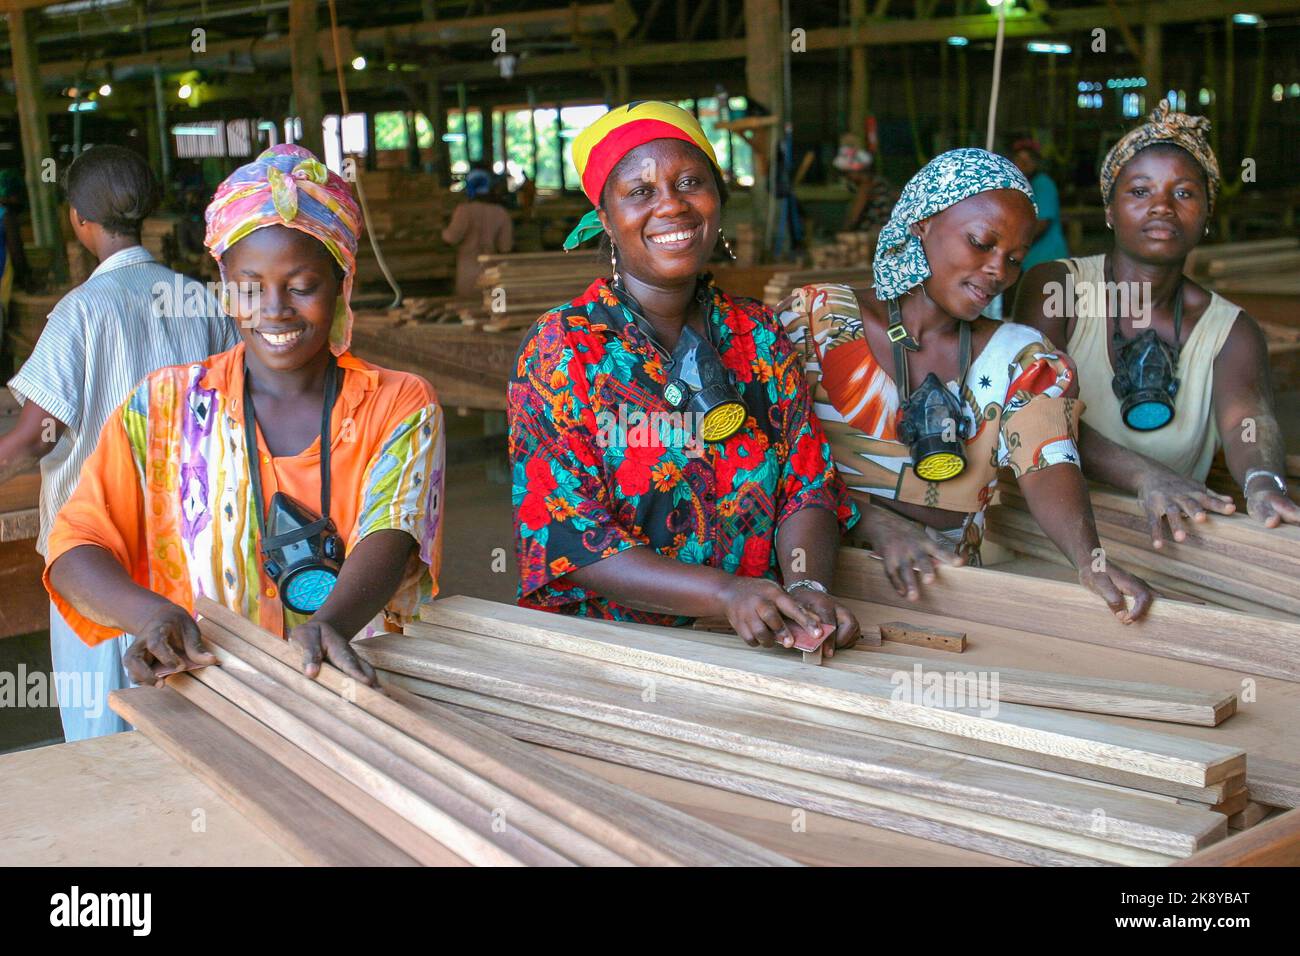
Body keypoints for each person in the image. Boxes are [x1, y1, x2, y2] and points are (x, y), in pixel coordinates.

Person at [44, 144, 445, 700]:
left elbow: (392, 529)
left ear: (342, 284)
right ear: (224, 282)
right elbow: (73, 547)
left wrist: (329, 622)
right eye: (249, 286)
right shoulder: (164, 407)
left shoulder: (396, 403)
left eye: (302, 286)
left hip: (359, 696)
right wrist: (152, 615)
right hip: (216, 703)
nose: (274, 309)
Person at [509, 101, 862, 653]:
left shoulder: (759, 335)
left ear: (718, 201)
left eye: (690, 183)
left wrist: (806, 587)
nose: (672, 206)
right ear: (605, 218)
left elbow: (808, 483)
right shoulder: (565, 350)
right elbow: (568, 538)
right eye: (641, 192)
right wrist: (725, 593)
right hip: (612, 651)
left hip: (761, 642)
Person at [778, 148, 1153, 623]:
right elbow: (767, 457)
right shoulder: (816, 324)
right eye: (981, 242)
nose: (999, 270)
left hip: (946, 599)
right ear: (922, 224)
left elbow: (1048, 461)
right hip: (816, 593)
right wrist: (871, 520)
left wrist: (1088, 560)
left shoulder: (1021, 356)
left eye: (1014, 258)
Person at [0, 145, 237, 741]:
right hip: (190, 544)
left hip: (94, 558)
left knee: (101, 723)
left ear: (78, 218)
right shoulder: (200, 300)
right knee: (192, 712)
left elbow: (31, 437)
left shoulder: (79, 312)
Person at [1014, 100, 1298, 544]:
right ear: (1110, 210)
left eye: (1184, 193)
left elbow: (1249, 420)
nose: (1162, 206)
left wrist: (1264, 482)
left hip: (1170, 540)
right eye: (1140, 191)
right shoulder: (1056, 289)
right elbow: (1036, 411)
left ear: (1206, 214)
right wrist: (1146, 476)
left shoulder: (1231, 331)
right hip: (1051, 533)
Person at [442, 168, 513, 298]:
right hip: (492, 271)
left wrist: (440, 232)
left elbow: (451, 238)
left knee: (468, 310)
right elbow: (505, 247)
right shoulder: (501, 213)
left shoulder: (463, 211)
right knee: (491, 309)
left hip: (467, 269)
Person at [1009, 138, 1070, 271]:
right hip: (1032, 261)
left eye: (1028, 160)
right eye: (1019, 160)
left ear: (1036, 162)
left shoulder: (1043, 184)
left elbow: (1042, 224)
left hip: (1048, 259)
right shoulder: (1021, 187)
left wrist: (1014, 244)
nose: (1023, 164)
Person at [834, 136, 897, 235]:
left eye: (847, 173)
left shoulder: (866, 186)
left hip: (874, 233)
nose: (847, 177)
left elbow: (854, 216)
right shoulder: (880, 182)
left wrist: (843, 232)